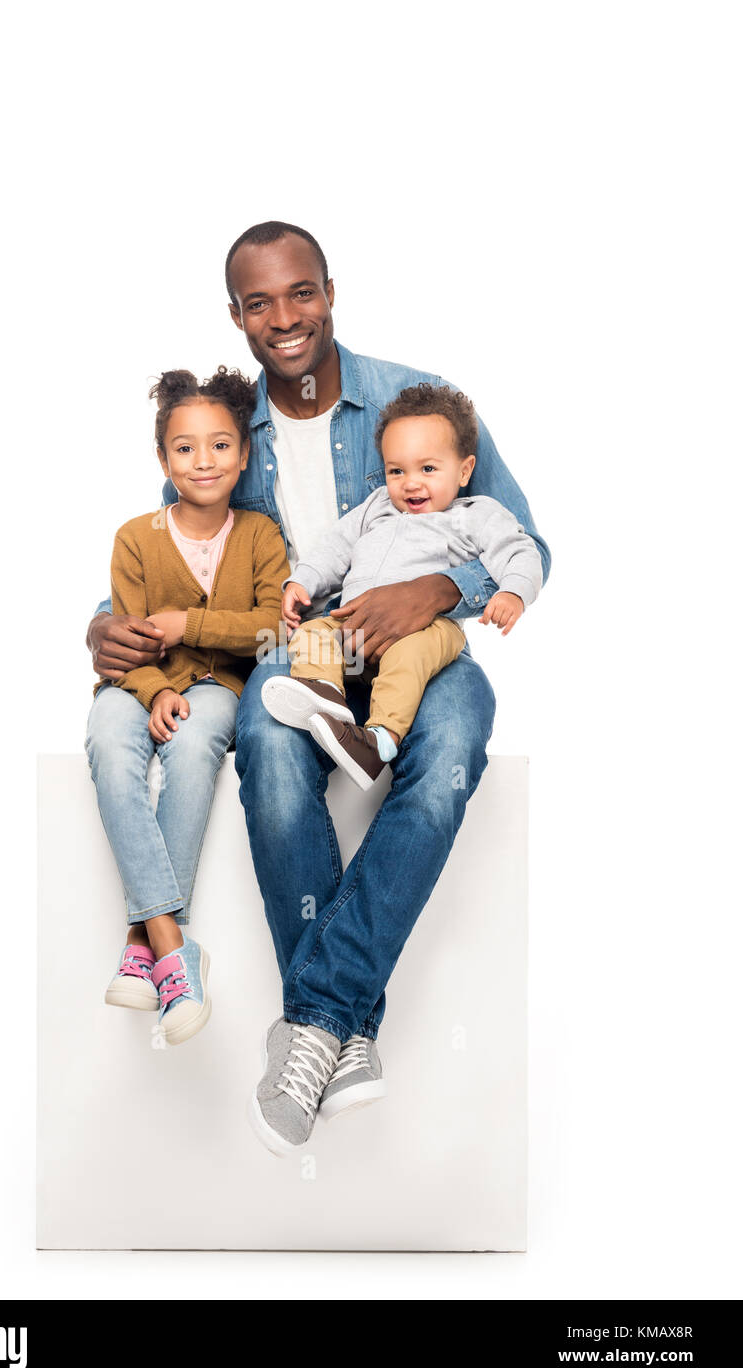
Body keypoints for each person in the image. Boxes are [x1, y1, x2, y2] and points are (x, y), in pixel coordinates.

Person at [87, 222, 550, 1154]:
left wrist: (437, 588)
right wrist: (103, 619)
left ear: (330, 291)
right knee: (266, 742)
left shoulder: (414, 404)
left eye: (300, 293)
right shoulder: (230, 428)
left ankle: (314, 1023)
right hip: (297, 651)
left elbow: (524, 545)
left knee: (454, 753)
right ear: (236, 317)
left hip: (425, 644)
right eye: (259, 303)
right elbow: (188, 539)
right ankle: (344, 1030)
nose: (284, 318)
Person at [85, 366, 288, 1046]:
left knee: (197, 747)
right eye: (184, 448)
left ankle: (142, 944)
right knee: (110, 745)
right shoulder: (135, 537)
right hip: (135, 685)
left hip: (218, 688)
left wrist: (187, 626)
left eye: (221, 445)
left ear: (244, 453)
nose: (203, 461)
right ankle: (173, 943)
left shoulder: (260, 535)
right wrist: (153, 688)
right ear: (161, 457)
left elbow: (270, 628)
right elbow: (129, 636)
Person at [260, 383, 543, 789]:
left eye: (428, 469)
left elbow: (520, 550)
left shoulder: (474, 515)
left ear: (464, 470)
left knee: (409, 656)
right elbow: (334, 547)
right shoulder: (377, 506)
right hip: (354, 625)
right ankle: (325, 697)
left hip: (428, 629)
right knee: (311, 633)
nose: (411, 483)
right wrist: (301, 582)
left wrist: (513, 591)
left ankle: (378, 741)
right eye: (397, 470)